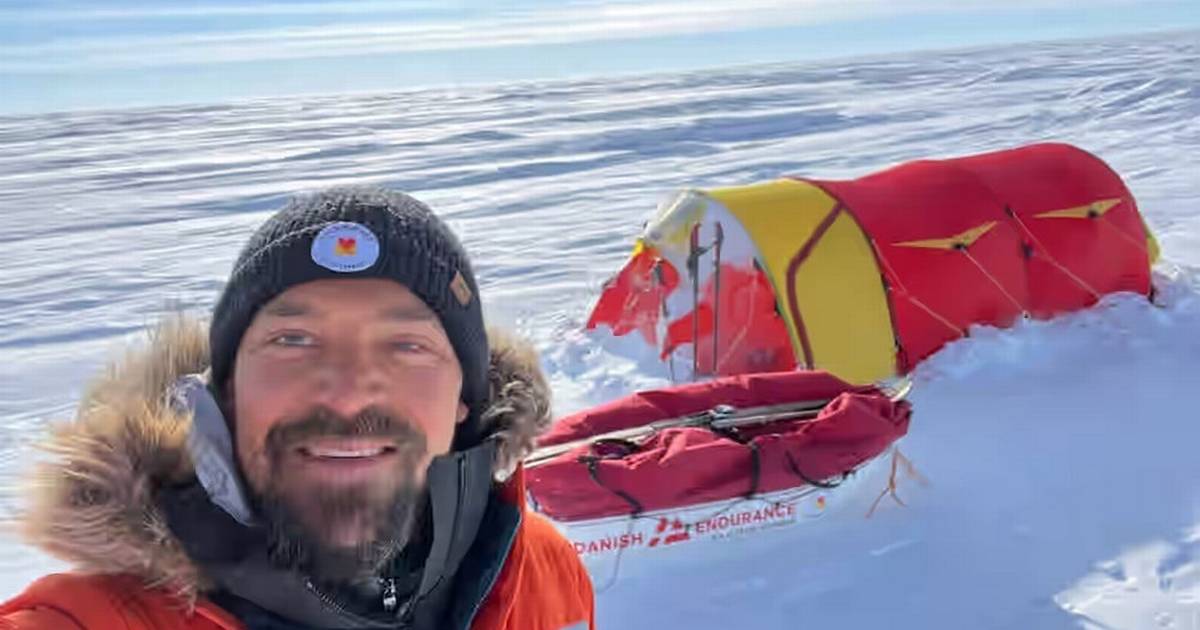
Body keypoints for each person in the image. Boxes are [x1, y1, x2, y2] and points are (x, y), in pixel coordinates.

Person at [0, 187, 596, 629]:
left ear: (466, 399)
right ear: (226, 389)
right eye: (293, 341)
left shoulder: (543, 570)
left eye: (406, 345)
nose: (345, 393)